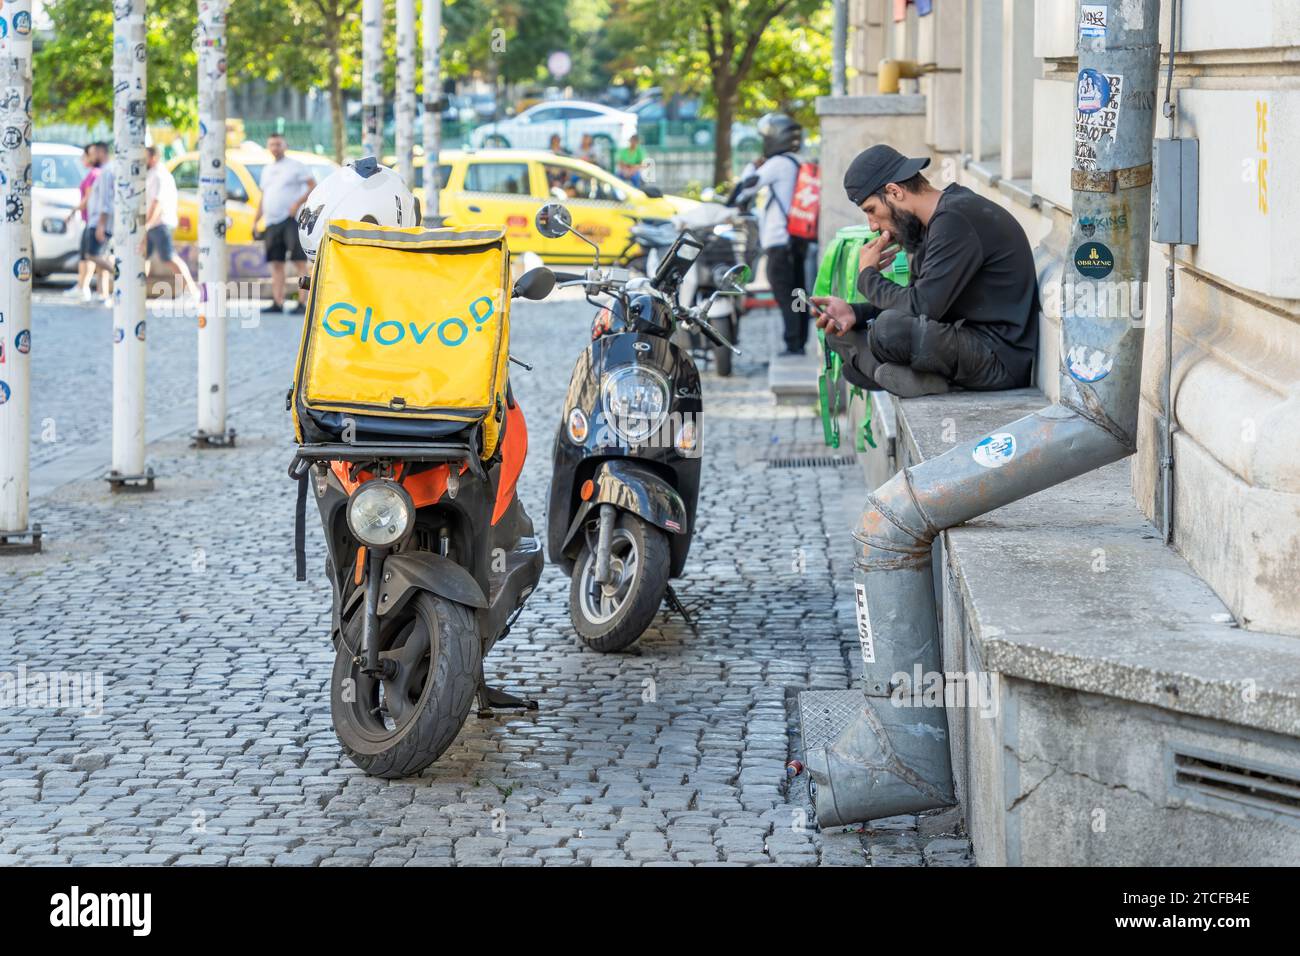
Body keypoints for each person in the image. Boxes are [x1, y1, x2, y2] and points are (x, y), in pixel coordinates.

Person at [811, 144, 1039, 397]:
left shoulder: (956, 218)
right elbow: (914, 300)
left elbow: (921, 308)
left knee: (888, 329)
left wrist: (867, 276)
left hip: (998, 359)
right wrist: (855, 312)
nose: (873, 226)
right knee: (841, 335)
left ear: (894, 191)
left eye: (871, 210)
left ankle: (900, 375)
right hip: (960, 341)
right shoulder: (931, 224)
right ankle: (912, 378)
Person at [738, 113, 807, 355]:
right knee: (798, 291)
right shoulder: (797, 161)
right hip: (797, 238)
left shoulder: (777, 164)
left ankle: (793, 342)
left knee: (784, 292)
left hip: (780, 241)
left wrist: (751, 166)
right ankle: (799, 340)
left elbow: (747, 186)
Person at [254, 133, 316, 313]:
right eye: (272, 144)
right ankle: (278, 301)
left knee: (299, 262)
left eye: (278, 144)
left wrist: (297, 204)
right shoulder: (267, 170)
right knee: (276, 263)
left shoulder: (296, 166)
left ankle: (303, 302)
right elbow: (264, 197)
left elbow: (313, 186)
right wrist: (256, 220)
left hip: (291, 220)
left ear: (285, 146)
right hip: (272, 222)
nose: (275, 148)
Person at [140, 146, 199, 302]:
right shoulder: (152, 174)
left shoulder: (159, 176)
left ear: (153, 157)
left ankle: (191, 291)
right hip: (154, 224)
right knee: (143, 257)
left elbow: (157, 203)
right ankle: (137, 290)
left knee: (169, 257)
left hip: (159, 223)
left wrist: (147, 224)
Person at [65, 144, 103, 302]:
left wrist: (74, 210)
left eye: (85, 156)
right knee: (88, 255)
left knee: (88, 255)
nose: (82, 160)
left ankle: (83, 286)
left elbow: (88, 199)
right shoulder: (94, 174)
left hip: (92, 220)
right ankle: (84, 286)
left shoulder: (94, 174)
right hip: (91, 219)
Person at [85, 142, 115, 307]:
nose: (90, 157)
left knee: (93, 255)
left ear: (101, 153)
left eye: (92, 153)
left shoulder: (105, 172)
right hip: (100, 220)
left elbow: (105, 201)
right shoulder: (108, 170)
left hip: (99, 221)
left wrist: (101, 225)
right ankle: (103, 293)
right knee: (101, 257)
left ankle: (121, 275)